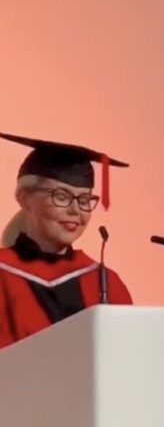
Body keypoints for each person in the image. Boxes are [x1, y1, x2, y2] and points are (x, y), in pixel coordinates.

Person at [0, 133, 133, 349]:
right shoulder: (3, 272)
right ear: (24, 198)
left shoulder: (105, 282)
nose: (75, 211)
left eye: (84, 199)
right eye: (61, 196)